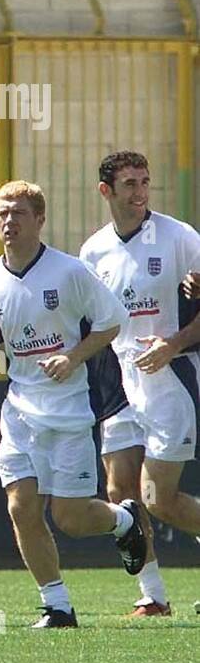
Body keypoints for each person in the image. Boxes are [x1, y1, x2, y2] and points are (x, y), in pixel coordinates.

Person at [0, 180, 148, 628]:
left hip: (70, 411)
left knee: (71, 518)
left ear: (39, 219)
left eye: (18, 213)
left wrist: (74, 356)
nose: (8, 221)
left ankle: (123, 521)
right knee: (21, 507)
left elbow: (112, 321)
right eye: (2, 213)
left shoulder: (69, 272)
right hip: (19, 412)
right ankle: (57, 606)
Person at [79, 151, 200, 617]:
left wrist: (173, 343)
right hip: (119, 376)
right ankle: (153, 597)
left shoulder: (177, 236)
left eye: (145, 182)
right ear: (106, 190)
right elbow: (92, 318)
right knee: (121, 492)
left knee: (159, 499)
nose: (140, 193)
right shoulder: (93, 251)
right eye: (129, 184)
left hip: (170, 375)